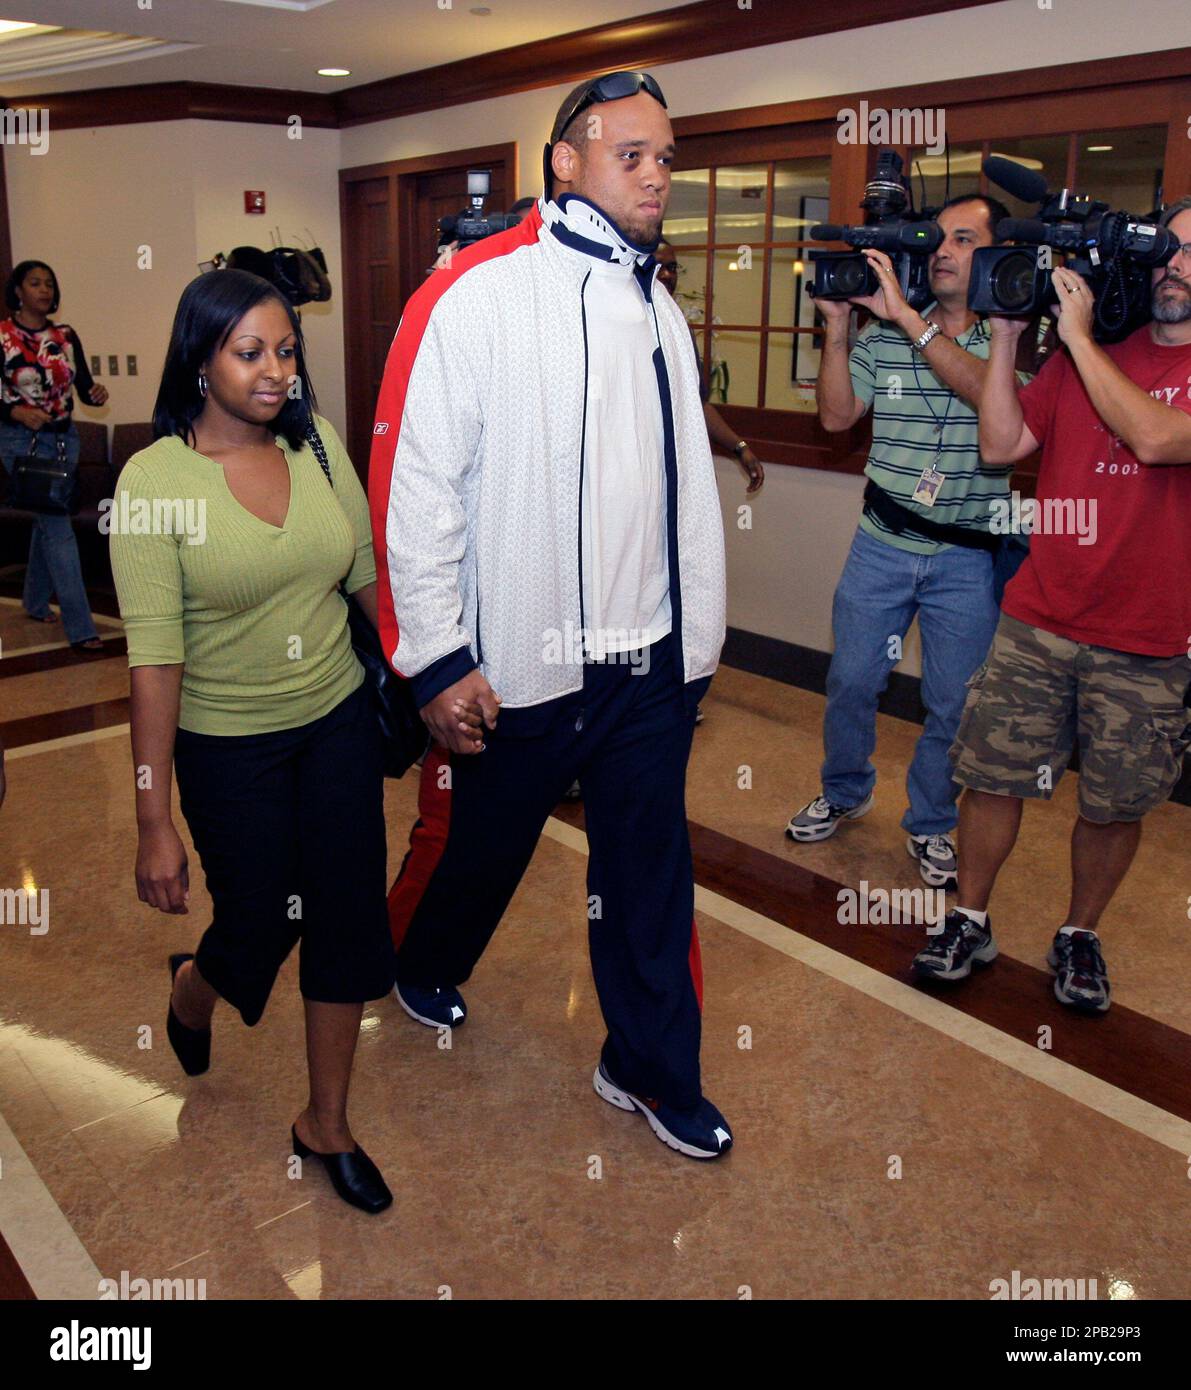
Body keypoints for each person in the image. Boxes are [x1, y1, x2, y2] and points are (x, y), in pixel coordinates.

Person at [371, 70, 732, 1160]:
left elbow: (678, 488)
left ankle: (648, 1067)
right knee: (487, 846)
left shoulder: (660, 307)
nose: (657, 176)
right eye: (633, 155)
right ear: (566, 160)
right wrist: (437, 659)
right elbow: (419, 487)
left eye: (666, 158)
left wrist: (695, 644)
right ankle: (424, 961)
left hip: (646, 662)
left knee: (647, 874)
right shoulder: (476, 293)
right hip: (525, 660)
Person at [109, 269, 396, 1212]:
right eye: (249, 353)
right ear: (200, 361)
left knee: (345, 913)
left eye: (285, 351)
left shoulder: (316, 445)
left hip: (337, 721)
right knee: (262, 922)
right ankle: (195, 988)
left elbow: (363, 575)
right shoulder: (155, 482)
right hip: (227, 744)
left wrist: (435, 673)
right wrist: (154, 820)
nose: (275, 371)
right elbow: (154, 662)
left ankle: (326, 1123)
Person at [914, 197, 1191, 1009]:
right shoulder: (1086, 352)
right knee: (991, 777)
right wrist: (1006, 337)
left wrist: (1075, 338)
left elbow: (1156, 439)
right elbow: (1000, 444)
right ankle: (969, 918)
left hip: (1147, 634)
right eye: (1169, 248)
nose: (1176, 266)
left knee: (1112, 803)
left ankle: (1078, 933)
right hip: (1037, 616)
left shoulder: (1086, 348)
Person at [785, 195, 1027, 890]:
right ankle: (843, 790)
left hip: (967, 556)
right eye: (938, 239)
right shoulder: (883, 338)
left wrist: (910, 322)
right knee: (851, 681)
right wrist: (838, 327)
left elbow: (993, 401)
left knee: (952, 702)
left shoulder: (1012, 339)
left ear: (994, 255)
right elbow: (836, 418)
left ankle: (930, 821)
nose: (943, 251)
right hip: (882, 543)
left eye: (963, 239)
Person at [0, 260, 106, 650]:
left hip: (64, 440)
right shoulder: (3, 336)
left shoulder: (65, 336)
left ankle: (33, 600)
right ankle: (81, 628)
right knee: (58, 527)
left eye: (49, 284)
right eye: (35, 283)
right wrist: (15, 412)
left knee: (47, 520)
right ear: (18, 291)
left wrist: (95, 394)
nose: (44, 290)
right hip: (19, 441)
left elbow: (84, 388)